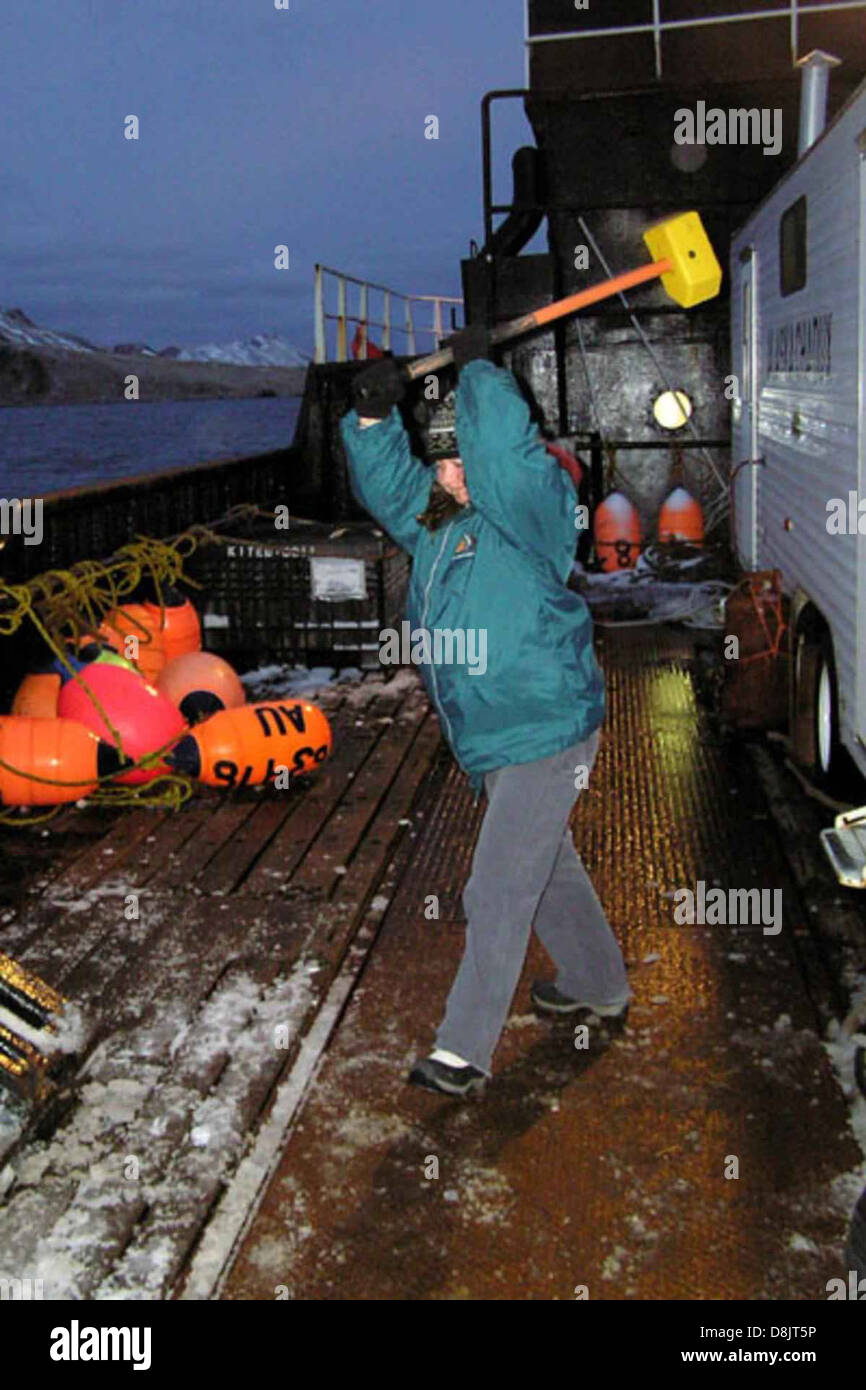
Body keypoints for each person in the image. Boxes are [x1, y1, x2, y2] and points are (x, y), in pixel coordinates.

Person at [340, 325, 631, 1097]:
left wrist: (478, 375)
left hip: (547, 724)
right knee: (546, 868)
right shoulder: (444, 523)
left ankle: (463, 1049)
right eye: (448, 460)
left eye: (462, 459)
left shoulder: (532, 520)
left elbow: (505, 460)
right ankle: (599, 982)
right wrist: (374, 418)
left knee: (498, 884)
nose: (453, 468)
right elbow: (392, 488)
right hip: (493, 733)